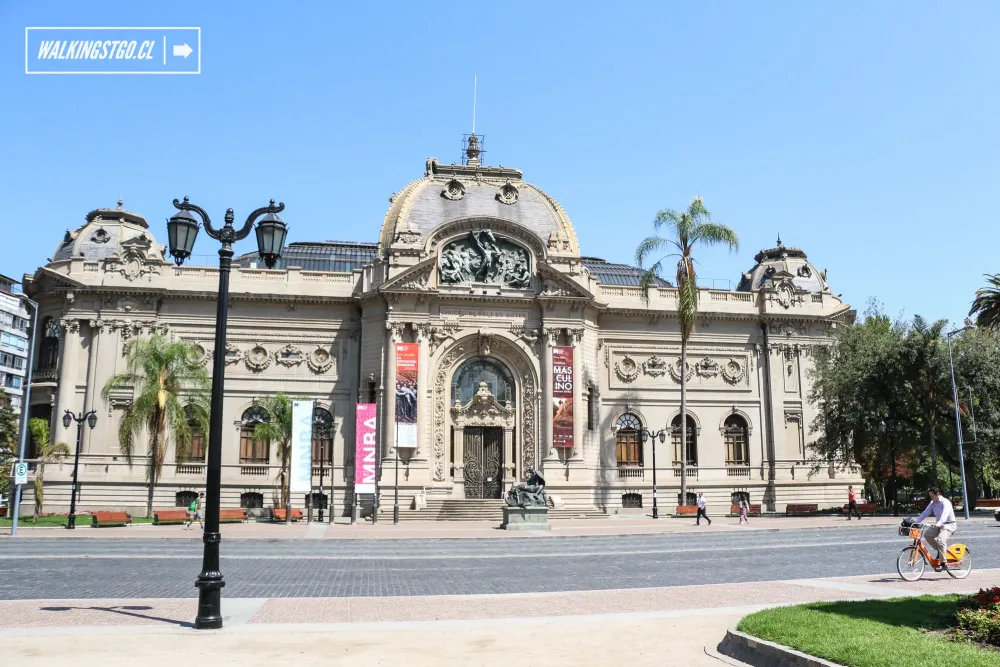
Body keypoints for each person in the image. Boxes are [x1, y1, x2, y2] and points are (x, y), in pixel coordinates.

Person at [915, 487, 957, 571]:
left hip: (949, 525)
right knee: (927, 535)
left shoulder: (946, 503)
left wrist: (938, 524)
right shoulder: (933, 503)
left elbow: (944, 516)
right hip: (939, 525)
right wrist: (916, 522)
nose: (931, 497)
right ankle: (941, 551)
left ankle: (943, 563)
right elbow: (925, 513)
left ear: (937, 494)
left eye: (932, 495)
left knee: (941, 540)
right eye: (930, 495)